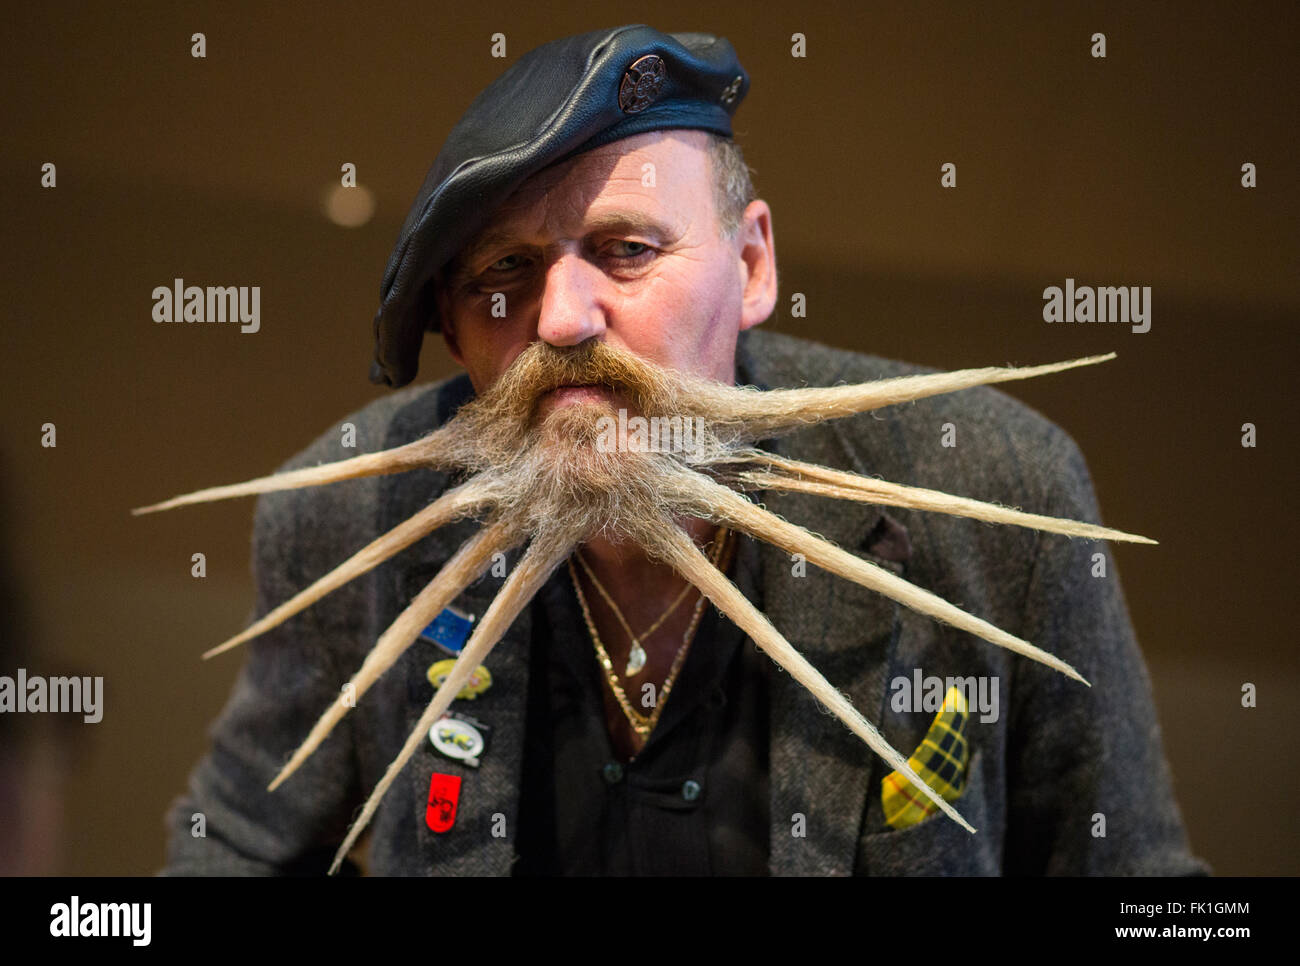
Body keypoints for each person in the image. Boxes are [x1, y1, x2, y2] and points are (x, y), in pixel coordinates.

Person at [163, 25, 1205, 876]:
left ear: (752, 265)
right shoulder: (350, 520)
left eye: (626, 251)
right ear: (452, 319)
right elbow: (227, 855)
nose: (564, 318)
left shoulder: (984, 494)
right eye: (506, 272)